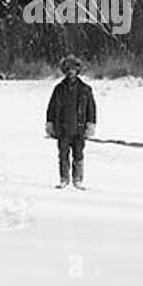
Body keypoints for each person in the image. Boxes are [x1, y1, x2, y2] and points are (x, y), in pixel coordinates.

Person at [45, 54, 97, 189]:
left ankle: (78, 179)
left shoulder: (85, 89)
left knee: (78, 155)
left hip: (79, 129)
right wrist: (50, 124)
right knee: (63, 154)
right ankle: (64, 178)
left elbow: (91, 108)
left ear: (78, 70)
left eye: (73, 69)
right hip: (62, 128)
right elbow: (51, 107)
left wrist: (90, 124)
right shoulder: (59, 89)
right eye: (68, 69)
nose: (71, 72)